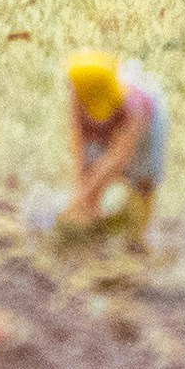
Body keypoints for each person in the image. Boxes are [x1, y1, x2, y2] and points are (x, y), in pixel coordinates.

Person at [65, 54, 167, 236]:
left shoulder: (136, 106)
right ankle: (90, 220)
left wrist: (81, 195)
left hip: (145, 130)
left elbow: (119, 157)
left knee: (144, 178)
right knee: (92, 164)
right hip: (109, 126)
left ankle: (139, 234)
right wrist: (83, 186)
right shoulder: (79, 89)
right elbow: (78, 137)